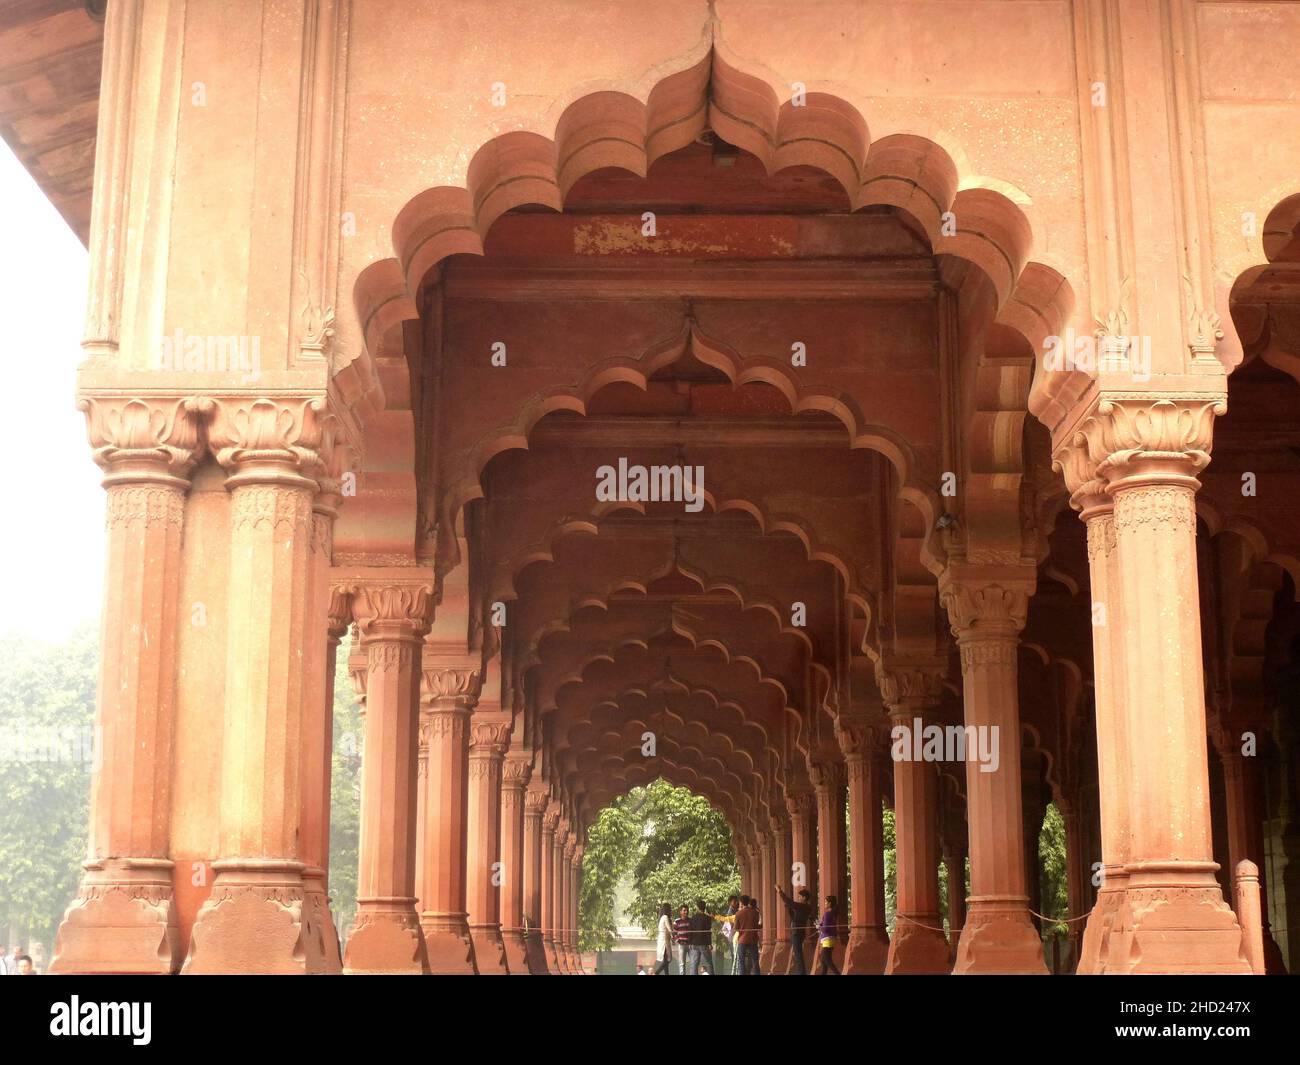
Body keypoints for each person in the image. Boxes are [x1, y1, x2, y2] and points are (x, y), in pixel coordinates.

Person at [775, 884, 814, 974]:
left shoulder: (804, 906)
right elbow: (794, 918)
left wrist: (780, 891)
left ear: (804, 898)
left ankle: (801, 973)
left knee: (798, 955)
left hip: (797, 933)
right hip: (797, 932)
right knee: (797, 954)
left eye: (800, 897)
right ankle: (801, 972)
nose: (799, 898)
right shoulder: (804, 907)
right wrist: (789, 909)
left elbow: (789, 902)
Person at [710, 895, 740, 974]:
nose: (736, 903)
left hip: (730, 935)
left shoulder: (735, 911)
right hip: (728, 935)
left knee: (734, 954)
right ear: (730, 902)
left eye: (737, 901)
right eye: (734, 901)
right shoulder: (729, 912)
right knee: (733, 954)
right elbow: (728, 922)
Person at [733, 895, 762, 975]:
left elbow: (736, 928)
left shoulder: (738, 914)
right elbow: (758, 926)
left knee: (741, 962)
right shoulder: (755, 912)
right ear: (748, 902)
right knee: (755, 961)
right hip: (753, 939)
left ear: (741, 903)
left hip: (742, 940)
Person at [815, 895, 841, 975]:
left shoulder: (827, 914)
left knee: (828, 960)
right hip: (831, 938)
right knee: (824, 962)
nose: (825, 903)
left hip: (827, 939)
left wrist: (818, 927)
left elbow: (825, 929)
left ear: (830, 903)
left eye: (826, 902)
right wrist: (819, 924)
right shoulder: (832, 913)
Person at [688, 899, 714, 975]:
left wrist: (690, 942)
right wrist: (710, 943)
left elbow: (691, 931)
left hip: (694, 943)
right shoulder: (707, 918)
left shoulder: (693, 918)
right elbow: (708, 931)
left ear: (697, 907)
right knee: (709, 962)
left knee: (694, 964)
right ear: (705, 907)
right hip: (704, 943)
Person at [653, 903, 673, 975]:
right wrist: (673, 937)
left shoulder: (661, 917)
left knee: (666, 959)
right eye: (670, 909)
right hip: (664, 941)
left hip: (664, 939)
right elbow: (669, 928)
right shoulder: (665, 917)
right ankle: (656, 973)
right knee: (668, 959)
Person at [672, 904, 691, 974]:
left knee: (693, 962)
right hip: (681, 945)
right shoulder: (676, 921)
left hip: (690, 944)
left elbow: (693, 933)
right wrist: (678, 941)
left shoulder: (690, 920)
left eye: (687, 910)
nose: (686, 912)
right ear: (680, 912)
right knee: (682, 963)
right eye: (684, 910)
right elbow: (673, 933)